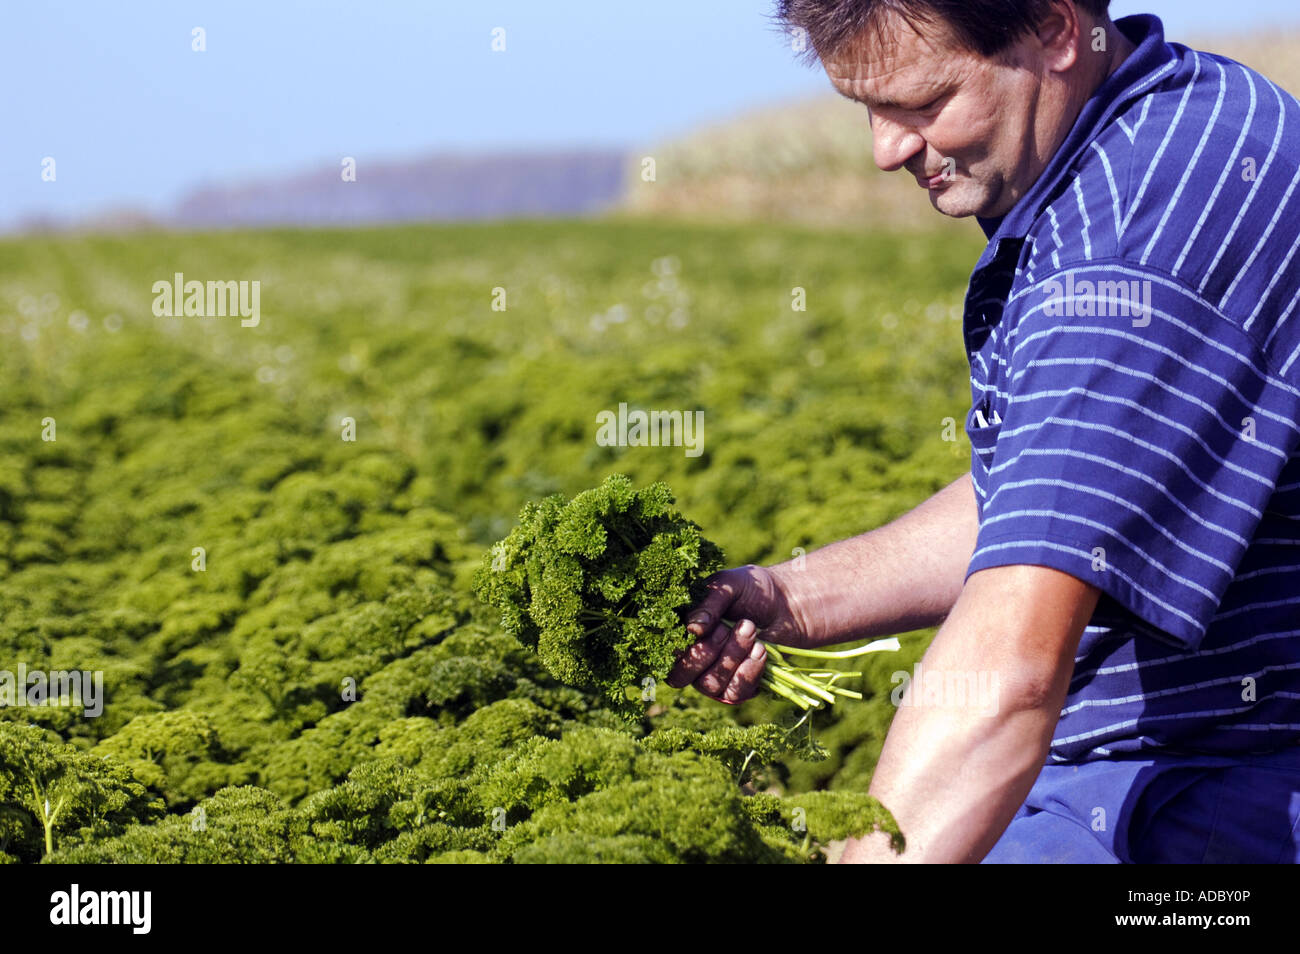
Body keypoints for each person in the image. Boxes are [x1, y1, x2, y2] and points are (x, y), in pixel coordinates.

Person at [667, 0, 1300, 863]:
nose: (887, 149)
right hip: (1146, 765)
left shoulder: (1131, 246)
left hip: (1210, 787)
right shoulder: (1165, 124)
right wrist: (790, 598)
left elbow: (1011, 673)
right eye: (870, 110)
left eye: (924, 105)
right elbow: (1058, 485)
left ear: (1054, 28)